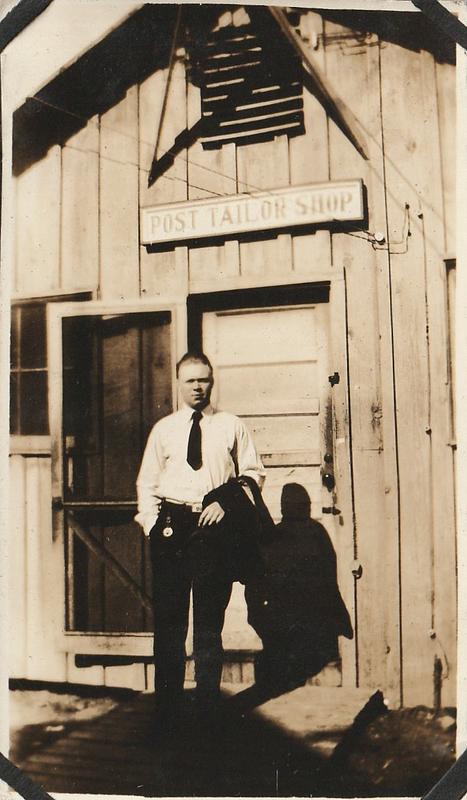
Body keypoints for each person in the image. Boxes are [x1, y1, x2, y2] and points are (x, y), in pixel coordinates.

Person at [135, 351, 265, 725]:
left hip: (214, 532)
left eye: (203, 379)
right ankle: (168, 710)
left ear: (212, 381)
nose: (197, 386)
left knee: (209, 623)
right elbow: (147, 482)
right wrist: (153, 525)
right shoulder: (165, 429)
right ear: (178, 383)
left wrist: (229, 503)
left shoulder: (231, 426)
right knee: (170, 622)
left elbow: (254, 474)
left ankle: (207, 706)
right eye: (190, 380)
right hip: (173, 530)